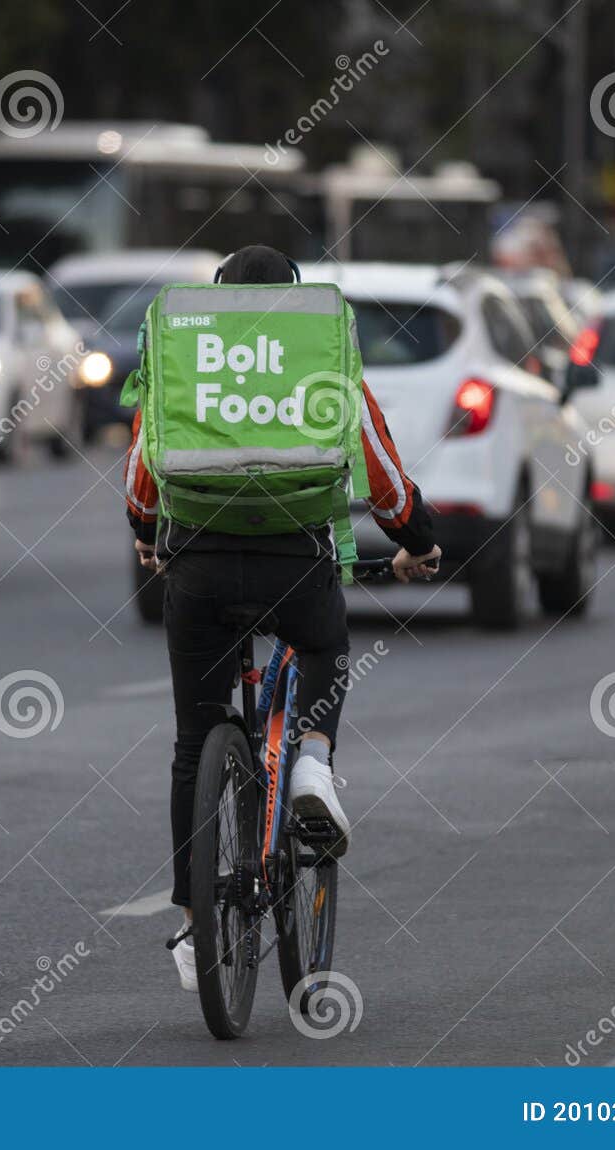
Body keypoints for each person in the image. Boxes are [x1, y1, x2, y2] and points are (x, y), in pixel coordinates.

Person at [120, 244, 441, 990]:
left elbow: (143, 466)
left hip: (196, 564)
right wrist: (417, 541)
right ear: (296, 300)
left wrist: (145, 530)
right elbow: (382, 473)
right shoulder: (320, 353)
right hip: (295, 565)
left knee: (194, 741)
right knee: (325, 643)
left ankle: (197, 922)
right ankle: (312, 763)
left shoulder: (187, 357)